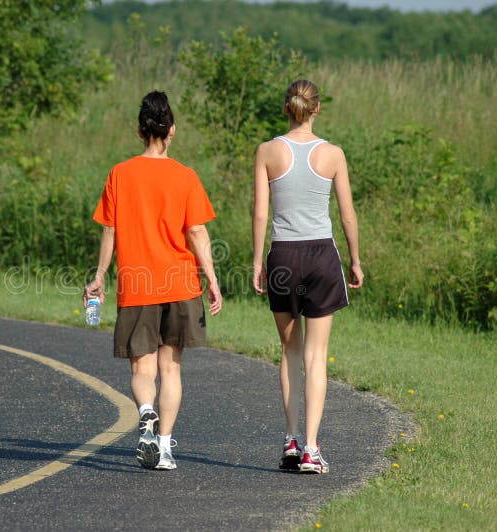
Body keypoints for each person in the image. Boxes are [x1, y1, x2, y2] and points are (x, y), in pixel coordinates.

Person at [84, 91, 223, 471]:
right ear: (171, 130)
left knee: (141, 371)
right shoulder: (185, 176)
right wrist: (211, 278)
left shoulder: (120, 174)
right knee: (171, 369)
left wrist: (99, 277)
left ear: (140, 131)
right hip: (180, 284)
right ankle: (163, 447)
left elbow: (110, 231)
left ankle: (146, 411)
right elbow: (197, 232)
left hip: (137, 285)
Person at [251, 79, 363, 474]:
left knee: (290, 351)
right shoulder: (333, 154)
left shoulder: (267, 151)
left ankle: (291, 439)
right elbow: (347, 214)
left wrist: (257, 261)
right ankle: (312, 450)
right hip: (320, 257)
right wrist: (355, 259)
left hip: (283, 255)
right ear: (317, 109)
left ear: (287, 108)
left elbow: (260, 213)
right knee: (316, 356)